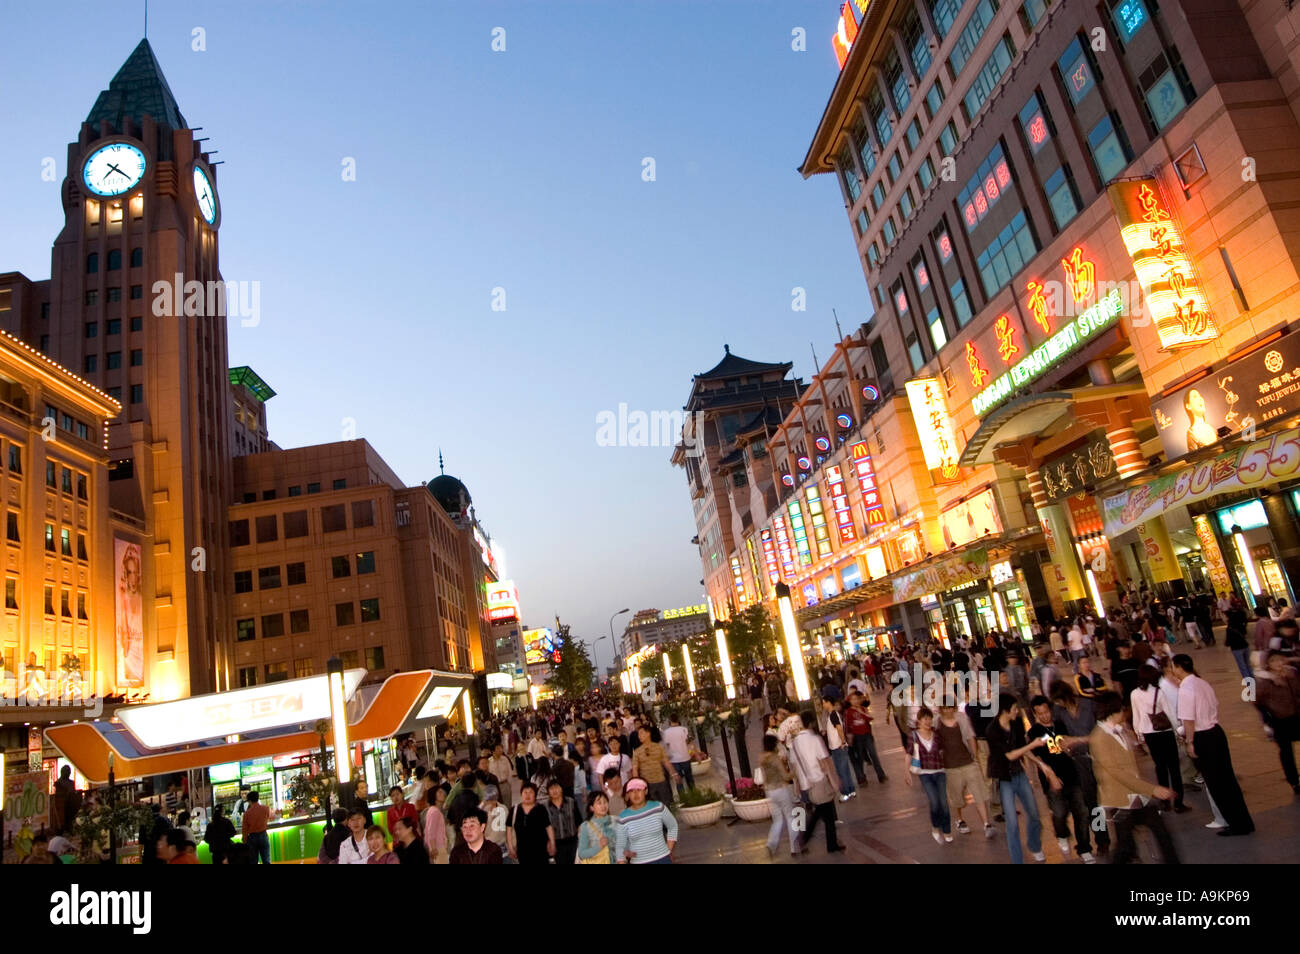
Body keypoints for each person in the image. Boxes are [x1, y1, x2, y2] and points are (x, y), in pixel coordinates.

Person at [1090, 691, 1180, 864]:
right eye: (1122, 709)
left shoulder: (1119, 730)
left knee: (1160, 834)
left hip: (1136, 797)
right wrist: (1153, 789)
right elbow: (1117, 772)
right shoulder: (1099, 738)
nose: (1125, 711)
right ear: (1113, 711)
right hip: (1121, 800)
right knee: (1125, 849)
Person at [1172, 654, 1254, 835]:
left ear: (1178, 667)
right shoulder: (1202, 683)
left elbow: (1188, 720)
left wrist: (1190, 742)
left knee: (1216, 783)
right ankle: (1244, 821)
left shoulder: (1185, 689)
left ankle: (1235, 824)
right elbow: (1213, 705)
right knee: (1228, 780)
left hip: (1202, 737)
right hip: (1216, 732)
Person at [1027, 695, 1096, 863]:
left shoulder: (1060, 724)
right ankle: (1062, 834)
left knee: (1082, 812)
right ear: (1035, 714)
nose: (1045, 716)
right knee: (1059, 813)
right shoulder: (1034, 732)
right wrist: (1043, 773)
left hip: (1072, 775)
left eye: (1046, 712)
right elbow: (1029, 752)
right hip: (1052, 781)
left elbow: (1068, 743)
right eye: (1040, 713)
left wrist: (1071, 747)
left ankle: (1084, 848)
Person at [986, 694, 1046, 864]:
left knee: (1034, 814)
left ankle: (1035, 846)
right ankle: (1017, 860)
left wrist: (1038, 765)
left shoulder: (1017, 723)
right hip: (1005, 778)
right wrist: (1033, 745)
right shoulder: (992, 730)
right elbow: (1011, 755)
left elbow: (1022, 749)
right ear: (1005, 710)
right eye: (1014, 709)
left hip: (1019, 774)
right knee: (1011, 823)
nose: (1017, 711)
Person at [789, 710, 845, 854]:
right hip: (819, 779)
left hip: (807, 782)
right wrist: (835, 779)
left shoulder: (795, 742)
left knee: (823, 811)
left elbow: (794, 765)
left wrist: (797, 785)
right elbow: (825, 760)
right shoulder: (814, 739)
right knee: (823, 811)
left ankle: (830, 842)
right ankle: (810, 838)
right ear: (812, 722)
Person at [1131, 666, 1186, 812]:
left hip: (1149, 734)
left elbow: (1136, 717)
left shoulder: (1134, 694)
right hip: (1165, 732)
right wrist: (1178, 731)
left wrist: (1139, 735)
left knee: (1160, 767)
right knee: (1174, 768)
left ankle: (1165, 801)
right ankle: (1179, 803)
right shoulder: (1158, 692)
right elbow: (1170, 714)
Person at [935, 703, 994, 838]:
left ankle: (986, 824)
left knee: (978, 792)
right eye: (945, 708)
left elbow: (969, 736)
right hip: (950, 766)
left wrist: (974, 756)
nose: (948, 710)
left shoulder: (961, 718)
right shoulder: (936, 722)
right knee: (956, 797)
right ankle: (959, 819)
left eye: (950, 707)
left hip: (967, 762)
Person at [904, 707, 951, 844]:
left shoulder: (936, 733)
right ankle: (936, 827)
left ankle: (947, 830)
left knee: (943, 802)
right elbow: (908, 753)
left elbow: (943, 749)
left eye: (930, 719)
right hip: (925, 773)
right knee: (934, 802)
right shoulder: (913, 735)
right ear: (919, 720)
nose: (928, 721)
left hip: (939, 770)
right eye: (925, 719)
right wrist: (906, 772)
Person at [1255, 651, 1300, 794]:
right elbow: (1257, 701)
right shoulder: (1265, 681)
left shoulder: (1292, 675)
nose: (1278, 664)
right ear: (1269, 664)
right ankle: (1294, 781)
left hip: (1297, 716)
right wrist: (1269, 717)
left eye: (1280, 660)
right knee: (1286, 751)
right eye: (1274, 661)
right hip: (1280, 720)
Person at [614, 777, 678, 864]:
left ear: (646, 791)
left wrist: (669, 848)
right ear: (628, 795)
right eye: (632, 791)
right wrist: (625, 858)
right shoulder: (623, 817)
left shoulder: (658, 807)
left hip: (663, 859)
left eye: (639, 790)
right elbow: (620, 845)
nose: (636, 794)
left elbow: (673, 826)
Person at [757, 735, 798, 857]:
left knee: (777, 820)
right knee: (790, 817)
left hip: (769, 791)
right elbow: (785, 776)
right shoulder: (775, 758)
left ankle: (771, 843)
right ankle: (794, 847)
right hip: (780, 789)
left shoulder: (761, 758)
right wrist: (794, 772)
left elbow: (764, 777)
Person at [630, 725, 679, 807]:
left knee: (666, 805)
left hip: (661, 781)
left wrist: (674, 774)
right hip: (647, 784)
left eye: (641, 733)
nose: (639, 736)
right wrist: (637, 784)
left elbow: (666, 762)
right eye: (638, 734)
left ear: (648, 733)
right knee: (652, 807)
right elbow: (635, 769)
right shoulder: (637, 751)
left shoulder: (658, 747)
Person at [507, 782, 555, 864]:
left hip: (540, 851)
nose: (527, 795)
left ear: (535, 795)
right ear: (521, 794)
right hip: (522, 852)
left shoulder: (541, 809)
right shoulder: (514, 810)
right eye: (525, 792)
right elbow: (509, 829)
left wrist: (552, 843)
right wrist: (510, 847)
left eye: (531, 792)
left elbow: (548, 827)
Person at [544, 779, 582, 864]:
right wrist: (548, 843)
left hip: (572, 841)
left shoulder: (571, 802)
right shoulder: (544, 807)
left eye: (557, 787)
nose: (554, 790)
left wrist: (581, 840)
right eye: (551, 788)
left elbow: (579, 821)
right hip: (557, 843)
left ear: (561, 789)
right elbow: (544, 827)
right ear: (548, 792)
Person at [577, 791, 616, 863]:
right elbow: (581, 854)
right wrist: (599, 846)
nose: (603, 806)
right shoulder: (586, 826)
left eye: (605, 802)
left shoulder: (615, 820)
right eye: (599, 803)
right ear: (591, 807)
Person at [661, 715, 694, 791]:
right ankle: (694, 794)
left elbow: (666, 746)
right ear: (678, 720)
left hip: (674, 759)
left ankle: (683, 798)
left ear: (670, 721)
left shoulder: (666, 732)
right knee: (689, 778)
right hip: (685, 757)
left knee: (678, 780)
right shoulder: (684, 729)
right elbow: (689, 742)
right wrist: (695, 752)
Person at [240, 790, 271, 865]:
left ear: (249, 801)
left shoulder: (247, 814)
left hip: (252, 838)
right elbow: (269, 818)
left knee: (253, 861)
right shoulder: (266, 808)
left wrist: (244, 840)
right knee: (266, 860)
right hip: (263, 835)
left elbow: (245, 829)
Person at [422, 788, 449, 863]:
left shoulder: (432, 810)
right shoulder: (435, 811)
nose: (443, 794)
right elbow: (431, 831)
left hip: (437, 846)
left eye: (442, 792)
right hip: (438, 846)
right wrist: (433, 848)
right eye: (439, 792)